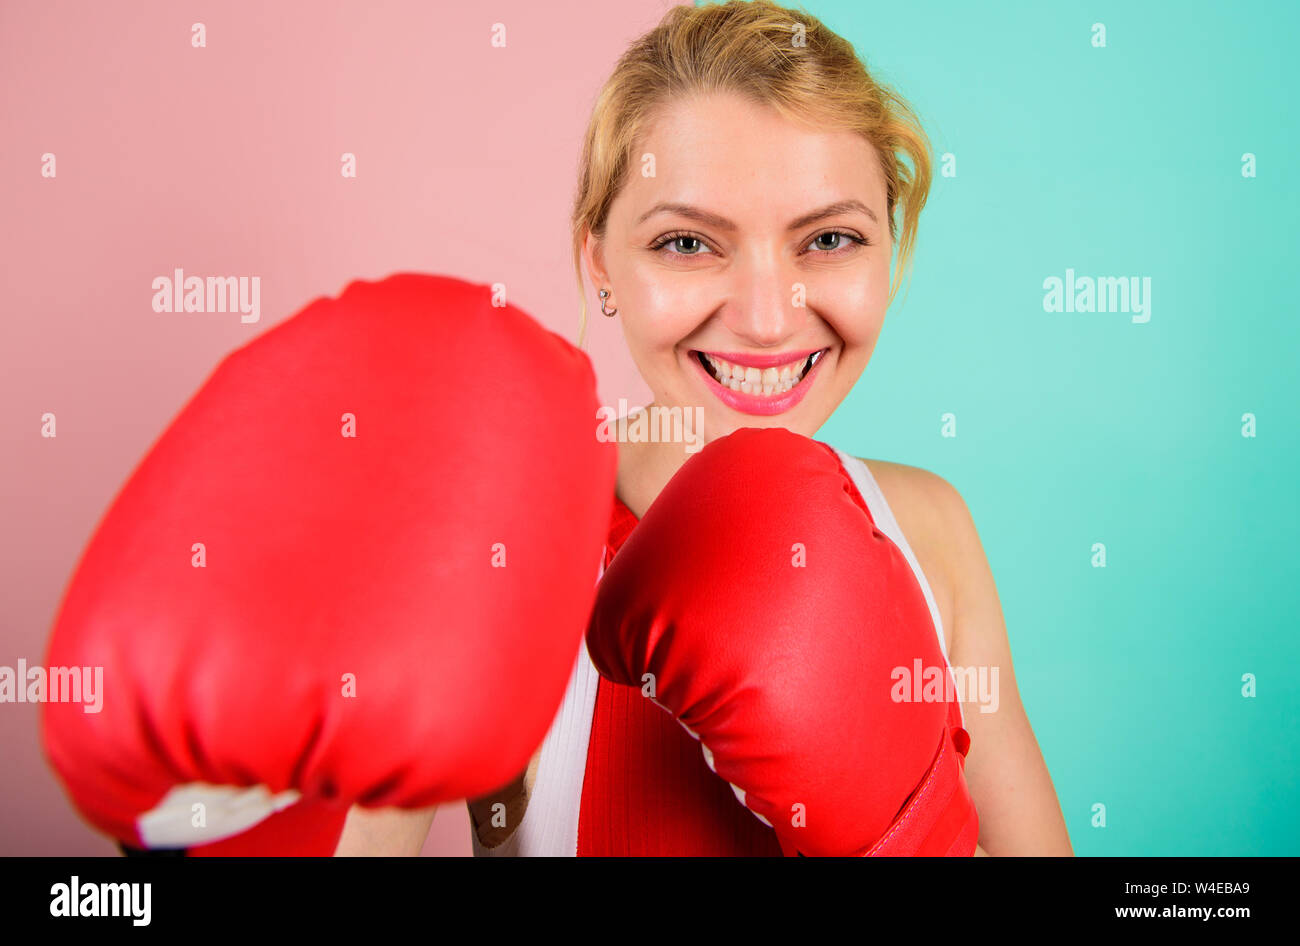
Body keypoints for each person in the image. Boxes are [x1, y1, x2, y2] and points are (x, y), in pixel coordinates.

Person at [339, 0, 1072, 856]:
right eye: (688, 243)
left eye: (830, 237)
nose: (767, 320)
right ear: (600, 261)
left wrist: (915, 833)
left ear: (891, 247)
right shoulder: (495, 552)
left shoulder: (931, 530)